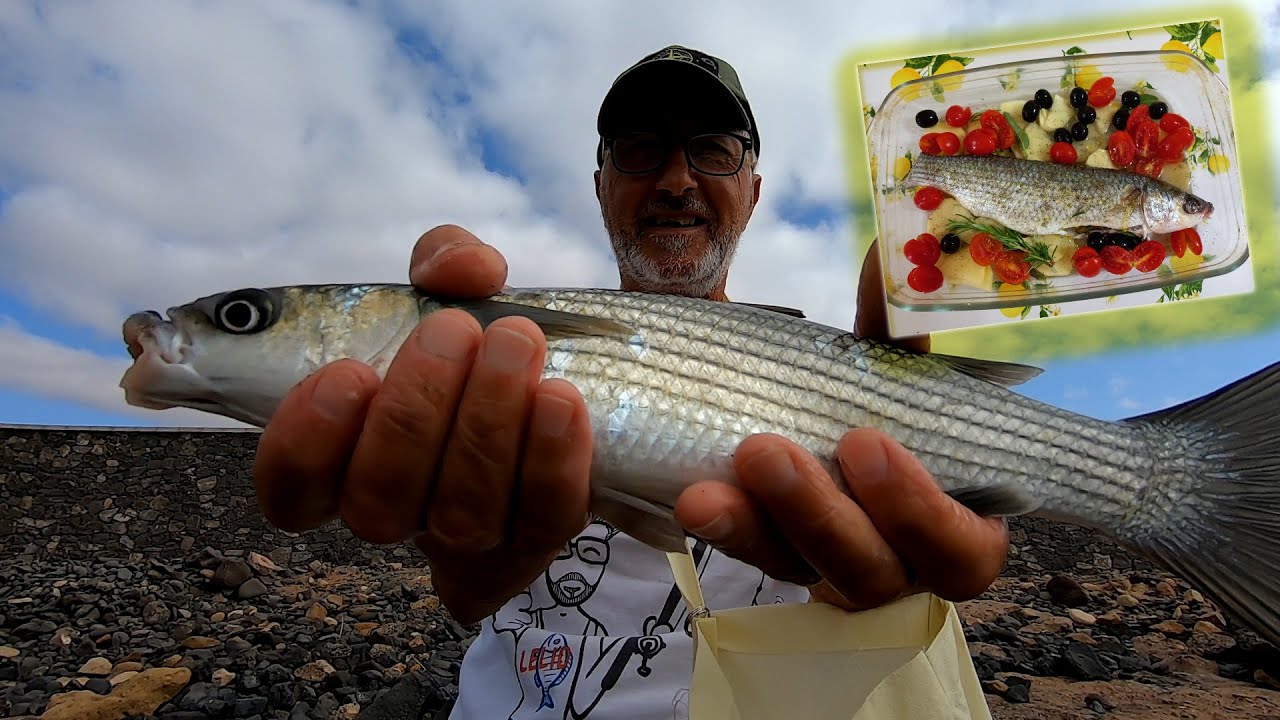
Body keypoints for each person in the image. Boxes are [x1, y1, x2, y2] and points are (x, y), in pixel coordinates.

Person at [253, 45, 1009, 719]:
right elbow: (467, 593)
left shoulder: (840, 383)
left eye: (712, 151)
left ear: (751, 189)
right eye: (640, 150)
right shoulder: (490, 361)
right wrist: (463, 561)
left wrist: (868, 599)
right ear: (600, 184)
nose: (676, 178)